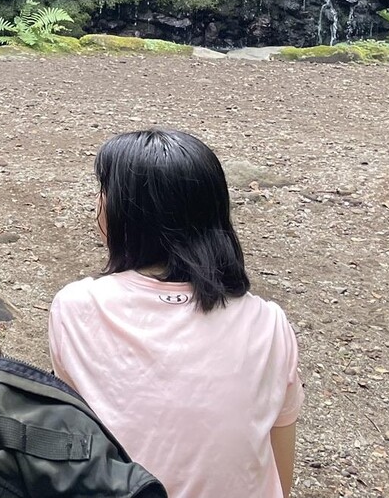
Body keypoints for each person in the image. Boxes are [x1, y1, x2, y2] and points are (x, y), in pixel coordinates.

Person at [48, 128, 302, 498]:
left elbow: (78, 434)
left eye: (104, 192)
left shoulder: (77, 307)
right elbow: (280, 467)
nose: (97, 201)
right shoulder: (269, 323)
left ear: (125, 213)